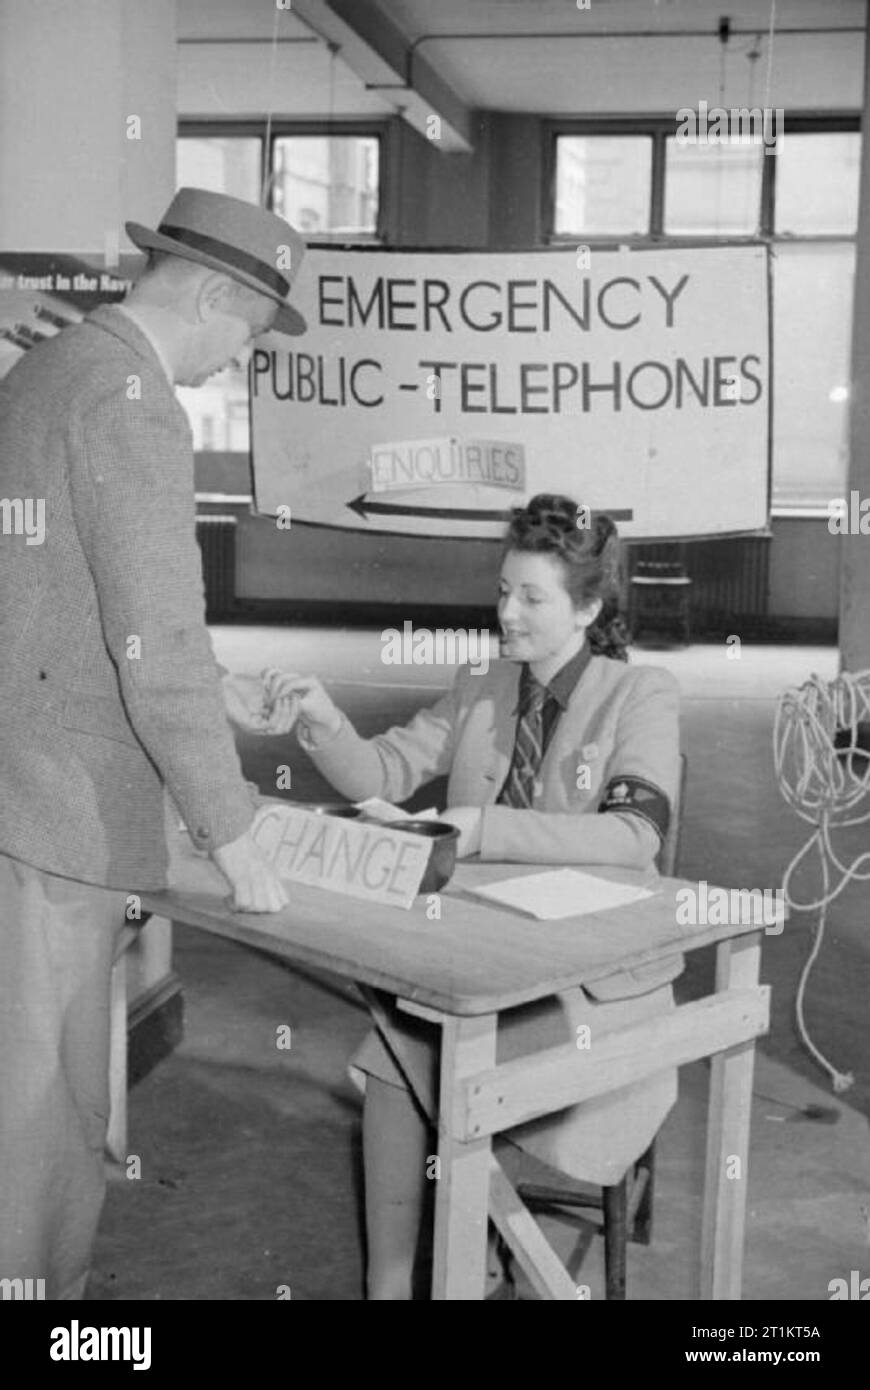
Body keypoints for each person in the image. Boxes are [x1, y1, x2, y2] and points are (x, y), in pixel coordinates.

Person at [0, 187, 308, 1299]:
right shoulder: (135, 400)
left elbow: (65, 605)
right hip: (56, 826)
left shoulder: (41, 372)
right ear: (219, 293)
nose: (241, 356)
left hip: (15, 794)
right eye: (252, 331)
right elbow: (157, 641)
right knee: (37, 1132)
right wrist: (237, 834)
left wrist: (214, 700)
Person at [265, 493, 683, 1299]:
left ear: (589, 608)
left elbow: (636, 837)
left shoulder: (642, 695)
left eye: (532, 598)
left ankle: (482, 1260)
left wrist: (484, 826)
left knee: (405, 1049)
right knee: (393, 1053)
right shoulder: (482, 684)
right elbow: (385, 773)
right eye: (502, 591)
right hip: (480, 962)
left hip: (581, 991)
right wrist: (321, 718)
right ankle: (390, 1292)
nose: (507, 614)